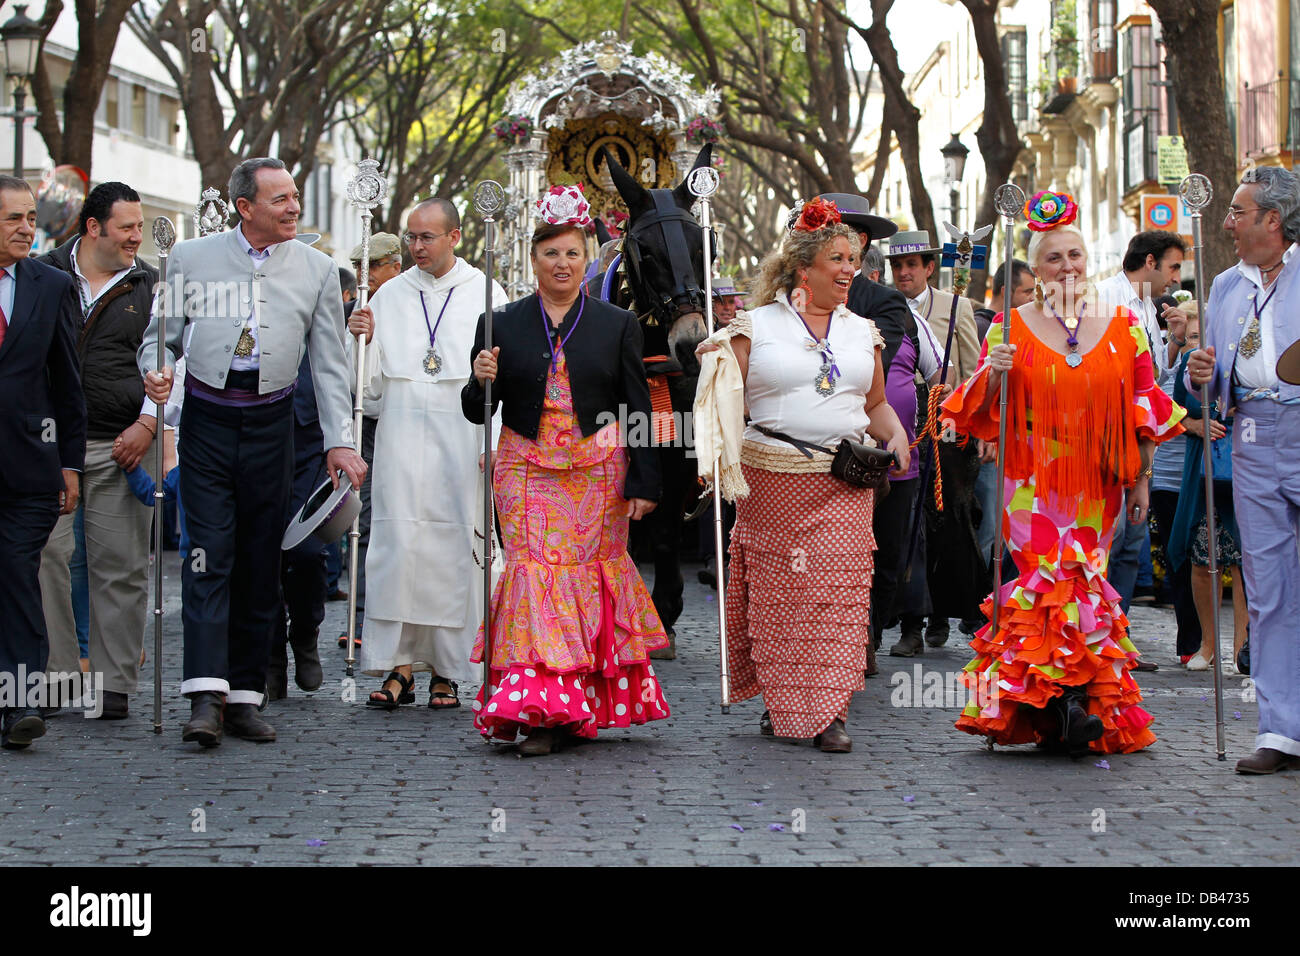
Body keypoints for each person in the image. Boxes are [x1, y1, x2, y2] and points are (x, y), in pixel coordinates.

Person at [941, 190, 1184, 756]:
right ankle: (1064, 706)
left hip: (1098, 482)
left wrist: (1141, 479)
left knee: (1084, 586)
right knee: (1048, 585)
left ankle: (1064, 707)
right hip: (1031, 483)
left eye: (1074, 255)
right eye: (1054, 258)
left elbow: (1143, 406)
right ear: (1037, 268)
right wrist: (997, 372)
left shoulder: (1124, 326)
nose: (1067, 267)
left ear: (1086, 259)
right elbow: (978, 408)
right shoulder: (1009, 324)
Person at [139, 157, 366, 748]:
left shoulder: (317, 269)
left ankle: (244, 696)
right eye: (281, 200)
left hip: (273, 425)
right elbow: (157, 337)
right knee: (207, 555)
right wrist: (157, 372)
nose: (294, 207)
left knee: (263, 562)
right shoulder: (191, 258)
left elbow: (330, 364)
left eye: (295, 196)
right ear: (246, 208)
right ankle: (203, 698)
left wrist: (340, 440)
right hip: (209, 422)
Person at [462, 185, 670, 756]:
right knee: (533, 576)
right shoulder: (499, 322)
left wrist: (645, 481)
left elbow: (637, 408)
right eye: (551, 253)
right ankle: (542, 710)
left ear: (588, 259)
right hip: (524, 467)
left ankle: (579, 701)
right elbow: (474, 408)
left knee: (584, 580)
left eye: (573, 253)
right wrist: (480, 378)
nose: (562, 263)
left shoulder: (616, 324)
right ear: (533, 259)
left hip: (597, 472)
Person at [709, 197, 910, 753]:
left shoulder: (863, 331)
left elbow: (874, 404)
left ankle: (830, 712)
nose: (851, 269)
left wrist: (894, 434)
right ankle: (783, 701)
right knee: (784, 598)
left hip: (845, 482)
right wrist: (713, 373)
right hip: (771, 482)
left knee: (838, 597)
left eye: (854, 260)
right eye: (838, 260)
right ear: (805, 271)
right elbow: (722, 402)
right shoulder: (756, 327)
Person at [347, 199, 504, 711]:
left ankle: (448, 670)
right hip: (401, 433)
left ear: (455, 237)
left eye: (427, 237)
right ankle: (397, 666)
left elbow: (500, 379)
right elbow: (366, 394)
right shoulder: (388, 295)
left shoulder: (486, 292)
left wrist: (494, 442)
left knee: (455, 548)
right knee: (399, 544)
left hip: (462, 436)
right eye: (411, 237)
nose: (416, 247)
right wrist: (361, 341)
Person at [1186, 165, 1300, 775]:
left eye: (1239, 212)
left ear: (1272, 221)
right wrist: (1197, 375)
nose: (1228, 222)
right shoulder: (1227, 287)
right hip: (1252, 438)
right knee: (1269, 587)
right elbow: (1201, 375)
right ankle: (1282, 730)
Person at [35, 182, 158, 719]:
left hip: (123, 443)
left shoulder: (152, 284)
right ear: (93, 227)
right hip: (47, 447)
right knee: (46, 558)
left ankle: (113, 686)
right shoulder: (41, 275)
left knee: (121, 565)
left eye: (139, 226)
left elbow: (171, 361)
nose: (137, 237)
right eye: (127, 227)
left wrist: (149, 425)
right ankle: (58, 676)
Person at [0, 175, 85, 750]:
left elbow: (67, 385)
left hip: (28, 468)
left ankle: (19, 704)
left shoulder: (50, 285)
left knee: (14, 574)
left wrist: (70, 464)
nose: (27, 228)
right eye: (13, 219)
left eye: (30, 217)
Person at [1097, 231, 1191, 668]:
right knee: (1108, 542)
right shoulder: (1107, 299)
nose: (1176, 278)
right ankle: (1096, 637)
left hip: (1138, 442)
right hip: (1107, 441)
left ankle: (1118, 634)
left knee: (1131, 545)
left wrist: (1172, 340)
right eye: (1173, 267)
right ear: (1150, 261)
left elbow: (1150, 382)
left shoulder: (1147, 309)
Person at [887, 228, 985, 651]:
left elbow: (973, 372)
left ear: (930, 267)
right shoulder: (884, 309)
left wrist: (968, 416)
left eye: (911, 265)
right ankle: (909, 622)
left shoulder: (956, 306)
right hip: (900, 430)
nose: (903, 273)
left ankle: (941, 613)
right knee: (907, 525)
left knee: (945, 522)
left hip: (947, 432)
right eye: (897, 266)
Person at [1169, 308, 1248, 672]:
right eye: (1195, 335)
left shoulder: (1247, 356)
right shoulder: (1188, 363)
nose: (1200, 341)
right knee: (1202, 561)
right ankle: (1207, 644)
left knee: (1245, 563)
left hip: (1245, 468)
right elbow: (1171, 413)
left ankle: (1244, 648)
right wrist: (1196, 424)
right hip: (1203, 474)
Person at [338, 231, 402, 651]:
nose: (367, 277)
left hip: (403, 422)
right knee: (362, 519)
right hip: (366, 427)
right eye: (362, 268)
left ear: (395, 265)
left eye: (374, 268)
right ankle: (360, 617)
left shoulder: (406, 302)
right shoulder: (353, 308)